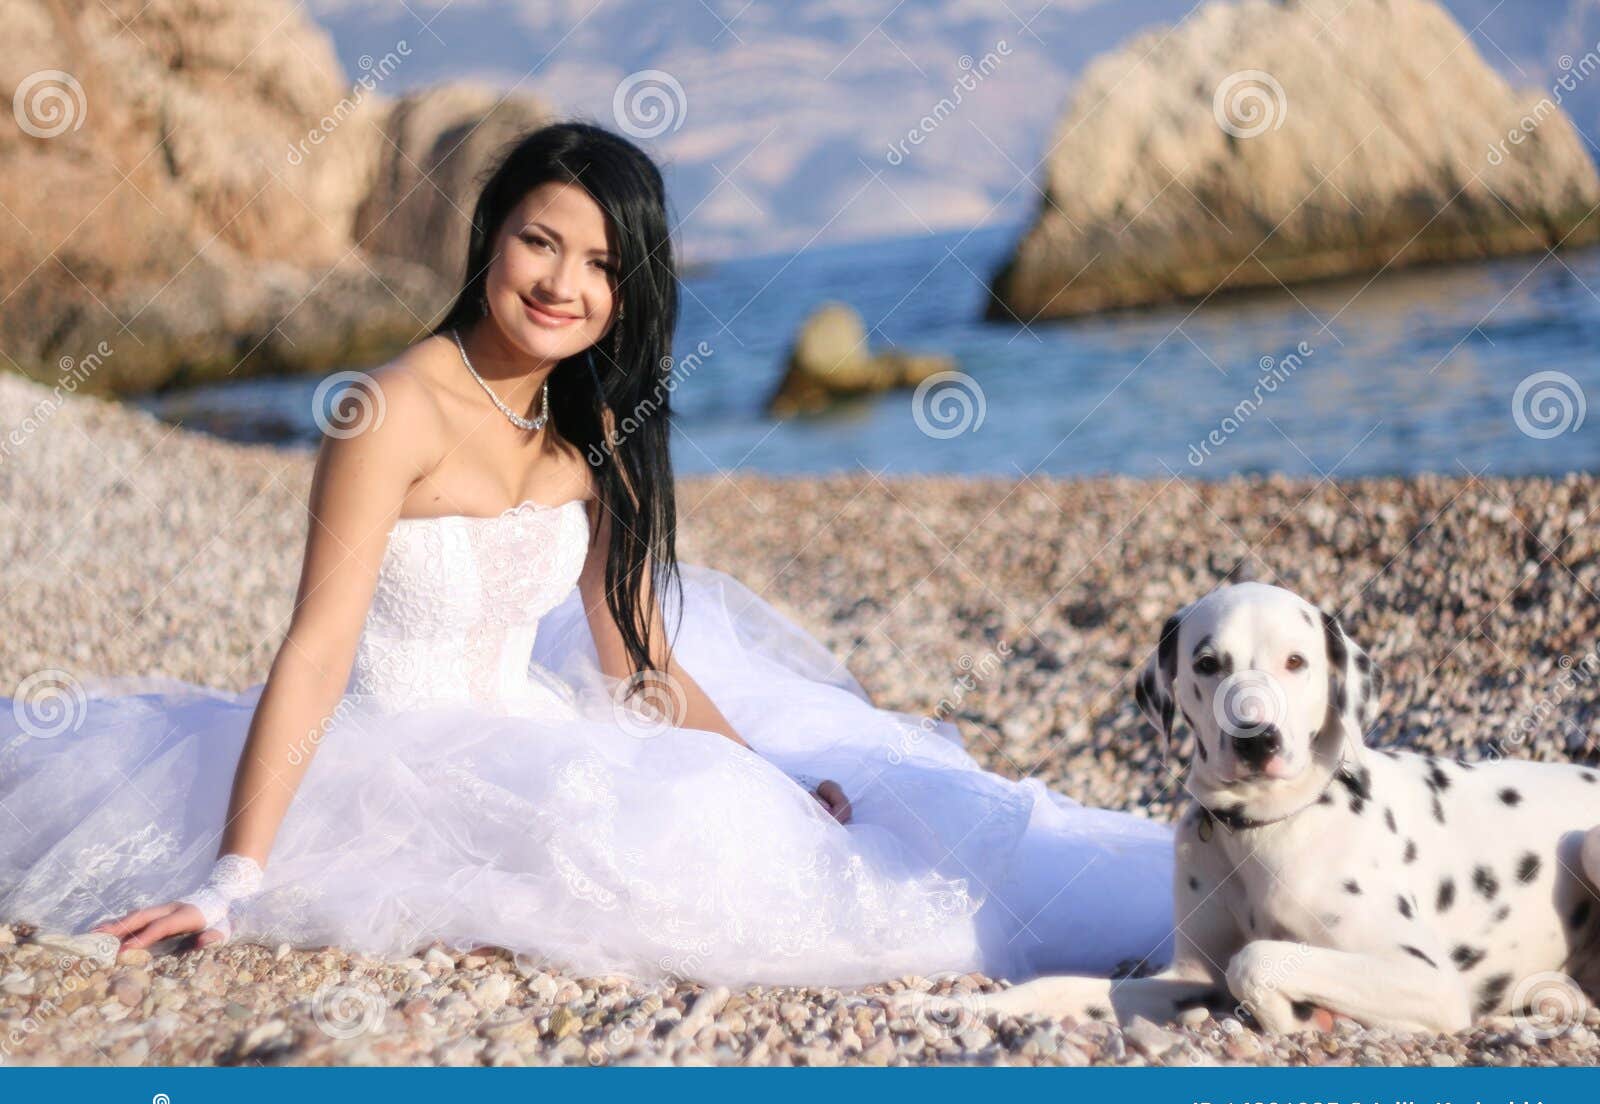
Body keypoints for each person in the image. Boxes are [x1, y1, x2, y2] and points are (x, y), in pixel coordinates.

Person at [0, 122, 1174, 988]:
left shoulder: (594, 423)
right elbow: (314, 648)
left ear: (631, 288)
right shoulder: (388, 410)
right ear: (490, 239)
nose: (564, 282)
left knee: (809, 852)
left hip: (538, 728)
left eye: (602, 263)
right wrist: (234, 874)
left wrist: (761, 776)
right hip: (378, 757)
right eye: (539, 242)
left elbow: (633, 653)